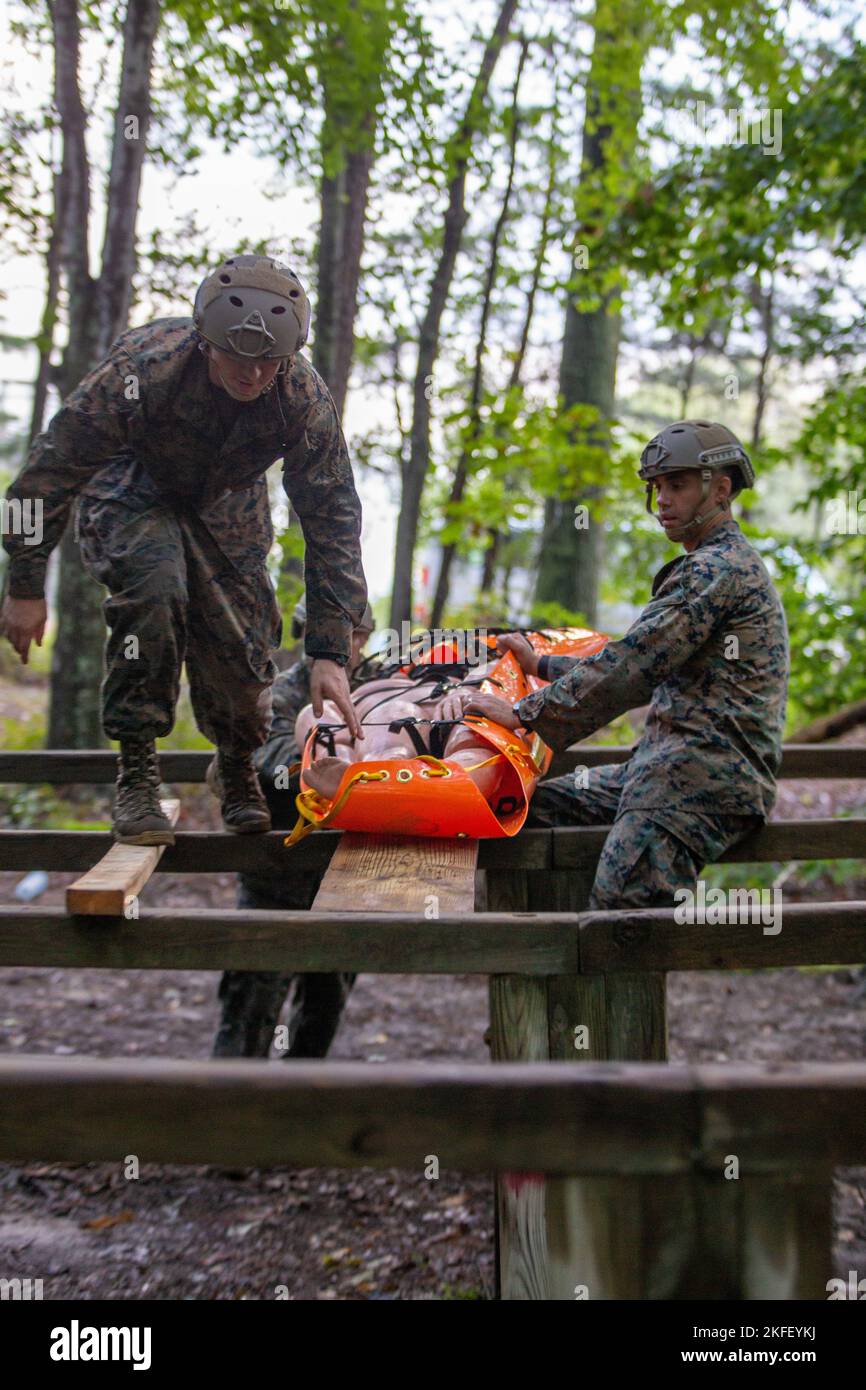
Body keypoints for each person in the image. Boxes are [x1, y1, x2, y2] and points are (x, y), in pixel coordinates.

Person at [0, 254, 367, 844]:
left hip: (228, 499)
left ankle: (236, 762)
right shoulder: (144, 369)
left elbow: (333, 517)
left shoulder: (300, 397)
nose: (251, 376)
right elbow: (48, 469)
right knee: (155, 590)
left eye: (267, 362)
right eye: (237, 358)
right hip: (130, 481)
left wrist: (329, 650)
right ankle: (139, 768)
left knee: (244, 642)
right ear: (205, 342)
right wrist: (24, 582)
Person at [451, 419, 790, 911]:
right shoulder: (712, 565)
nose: (663, 501)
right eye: (657, 488)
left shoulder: (718, 570)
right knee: (526, 808)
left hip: (704, 783)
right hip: (661, 769)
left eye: (677, 485)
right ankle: (543, 968)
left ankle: (574, 966)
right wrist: (540, 663)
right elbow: (638, 661)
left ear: (720, 489)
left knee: (621, 916)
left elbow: (633, 667)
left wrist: (525, 714)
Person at [212, 594, 376, 1059]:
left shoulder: (375, 691)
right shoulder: (278, 692)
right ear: (307, 637)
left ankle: (298, 1112)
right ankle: (228, 1114)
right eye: (343, 637)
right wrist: (327, 767)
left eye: (358, 637)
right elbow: (263, 756)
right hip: (276, 874)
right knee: (250, 1007)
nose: (352, 647)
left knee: (323, 1009)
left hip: (344, 882)